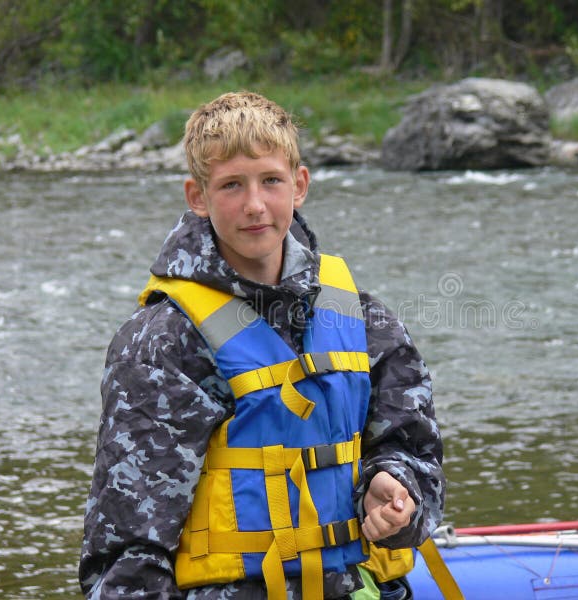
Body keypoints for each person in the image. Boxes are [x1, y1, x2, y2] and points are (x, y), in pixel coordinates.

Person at [79, 91, 445, 599]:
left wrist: (394, 489)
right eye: (231, 185)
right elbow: (127, 547)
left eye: (271, 180)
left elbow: (413, 448)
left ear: (299, 186)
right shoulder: (163, 342)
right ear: (198, 197)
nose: (254, 205)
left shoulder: (363, 316)